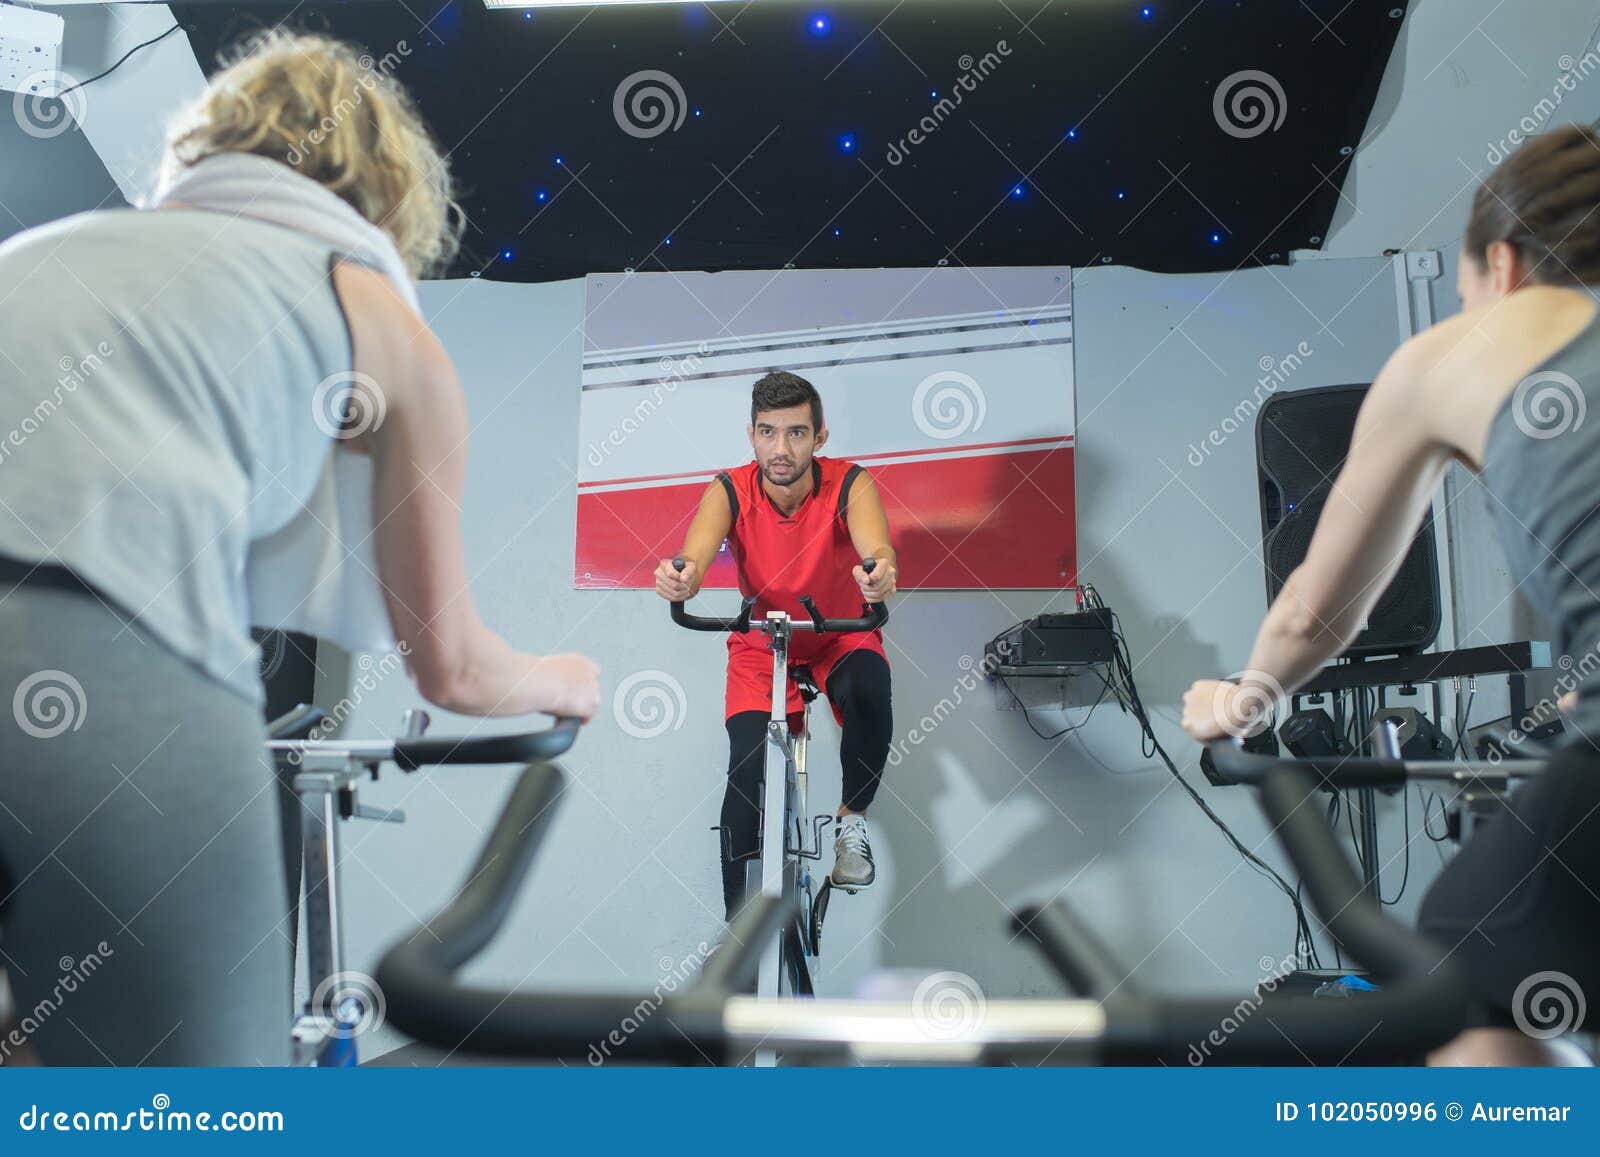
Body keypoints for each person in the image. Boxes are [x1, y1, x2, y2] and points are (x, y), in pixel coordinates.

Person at [0, 32, 598, 1066]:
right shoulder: (374, 310)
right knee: (196, 1098)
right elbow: (449, 664)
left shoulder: (46, 248)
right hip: (93, 650)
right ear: (391, 184)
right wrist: (566, 676)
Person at [1181, 124, 1600, 1066]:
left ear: (1502, 264)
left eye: (1462, 291)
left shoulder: (1455, 354)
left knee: (1466, 964)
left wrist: (1242, 697)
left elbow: (1315, 613)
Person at [654, 372, 897, 921]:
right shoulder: (730, 489)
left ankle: (851, 821)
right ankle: (737, 943)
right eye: (768, 432)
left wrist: (881, 573)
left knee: (868, 689)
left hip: (838, 631)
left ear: (820, 437)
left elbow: (875, 546)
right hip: (763, 642)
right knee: (745, 773)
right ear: (752, 434)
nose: (780, 448)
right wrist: (681, 578)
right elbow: (693, 558)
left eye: (795, 433)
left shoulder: (849, 483)